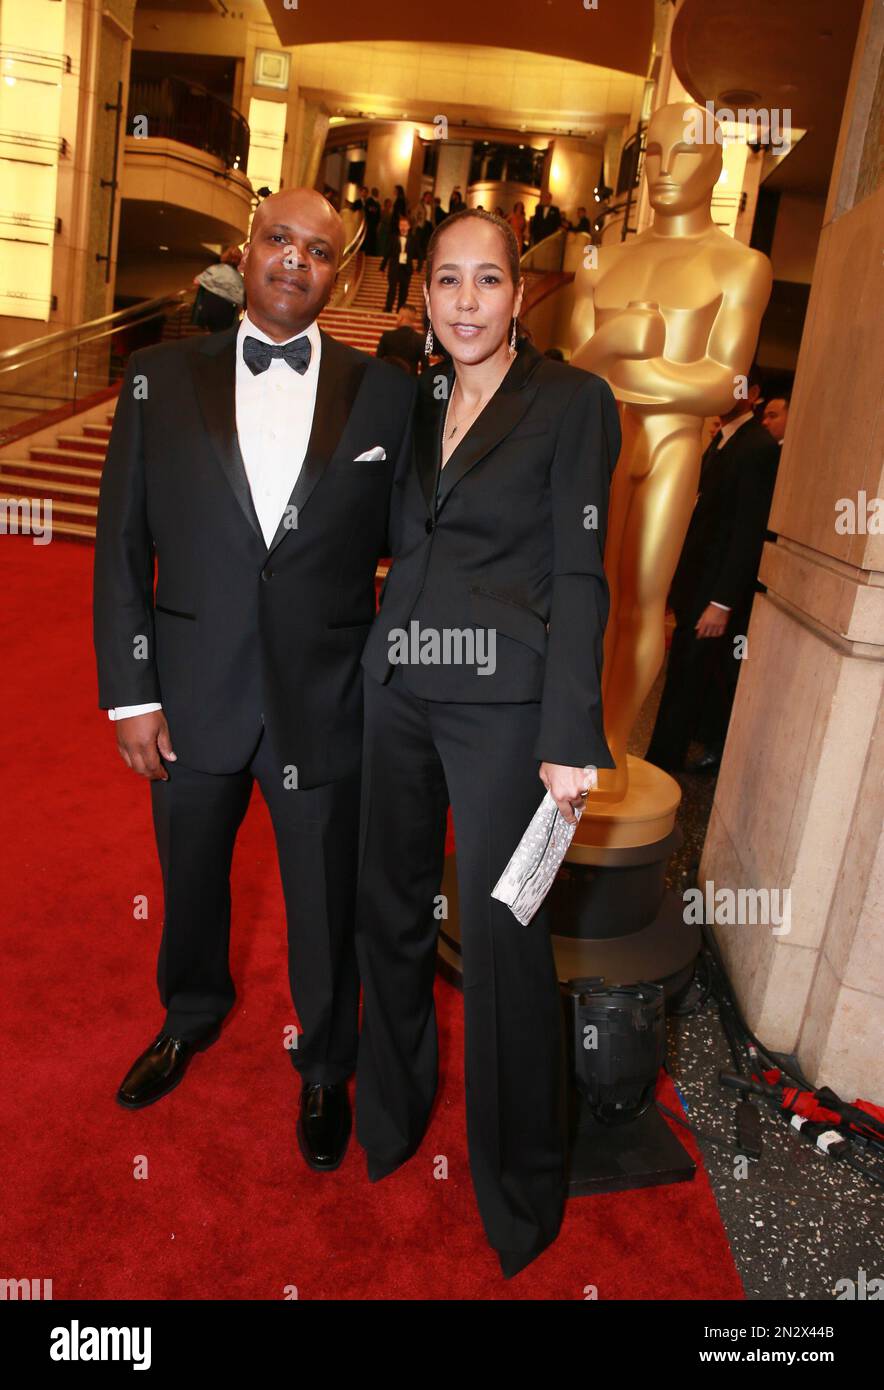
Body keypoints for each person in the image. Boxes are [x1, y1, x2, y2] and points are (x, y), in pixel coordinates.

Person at [93, 188, 415, 1175]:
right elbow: (120, 550)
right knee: (187, 879)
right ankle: (187, 1015)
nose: (294, 260)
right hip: (188, 699)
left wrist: (383, 679)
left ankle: (324, 1062)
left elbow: (415, 553)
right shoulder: (155, 377)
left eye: (318, 251)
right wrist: (132, 693)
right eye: (279, 238)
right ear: (247, 247)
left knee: (323, 899)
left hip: (322, 705)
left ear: (341, 275)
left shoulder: (386, 394)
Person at [354, 207, 620, 1278]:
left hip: (508, 711)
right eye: (447, 281)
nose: (465, 301)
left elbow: (580, 572)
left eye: (488, 281)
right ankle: (393, 1109)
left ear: (522, 292)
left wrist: (569, 735)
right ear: (422, 292)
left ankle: (517, 1183)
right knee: (388, 915)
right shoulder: (410, 395)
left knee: (508, 947)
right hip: (396, 690)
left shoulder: (572, 402)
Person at [644, 366, 780, 774]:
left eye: (737, 384)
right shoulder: (719, 441)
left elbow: (747, 532)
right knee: (691, 677)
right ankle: (686, 752)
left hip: (715, 591)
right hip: (693, 583)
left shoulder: (758, 447)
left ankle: (661, 765)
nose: (727, 391)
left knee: (689, 680)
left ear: (752, 393)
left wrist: (721, 602)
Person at [191, 246, 243, 331]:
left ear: (225, 256)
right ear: (239, 260)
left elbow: (196, 281)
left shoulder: (214, 269)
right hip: (226, 312)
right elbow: (240, 300)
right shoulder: (238, 278)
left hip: (208, 306)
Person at [383, 215, 420, 313]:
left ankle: (400, 310)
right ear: (399, 226)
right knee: (392, 289)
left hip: (406, 269)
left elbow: (420, 254)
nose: (403, 227)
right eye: (401, 225)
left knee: (404, 291)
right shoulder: (393, 238)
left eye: (405, 225)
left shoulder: (414, 239)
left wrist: (418, 268)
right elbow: (387, 253)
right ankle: (388, 308)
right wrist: (382, 267)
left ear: (409, 227)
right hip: (394, 267)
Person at [376, 304, 425, 375]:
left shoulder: (387, 336)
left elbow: (378, 361)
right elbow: (425, 367)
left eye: (398, 315)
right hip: (410, 382)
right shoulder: (421, 339)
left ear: (401, 318)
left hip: (389, 379)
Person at [363, 186, 381, 255]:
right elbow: (366, 211)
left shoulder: (378, 203)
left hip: (375, 224)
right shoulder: (368, 201)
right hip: (369, 223)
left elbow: (378, 215)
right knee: (368, 238)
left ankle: (372, 253)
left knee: (373, 239)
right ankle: (367, 252)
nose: (376, 193)